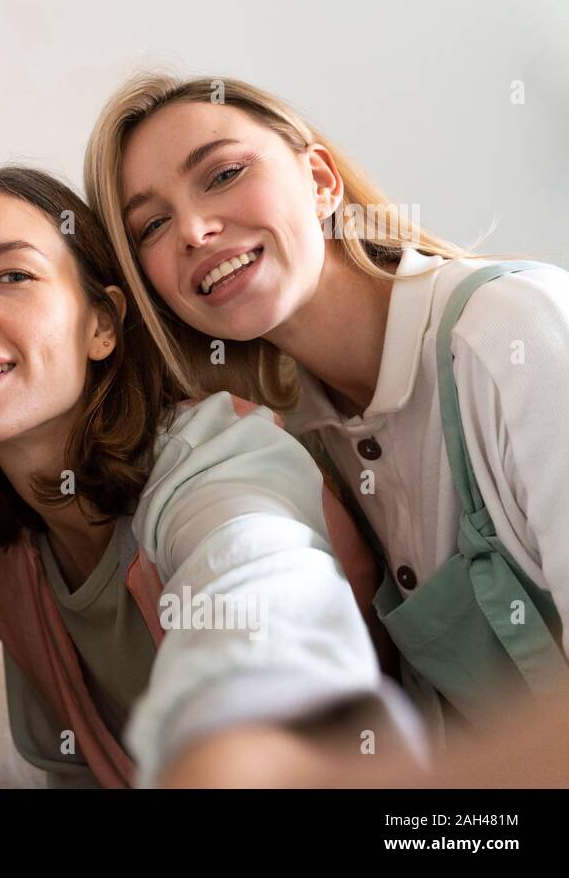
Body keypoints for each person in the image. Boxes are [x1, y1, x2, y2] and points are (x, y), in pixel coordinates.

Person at [0, 163, 423, 787]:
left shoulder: (218, 460)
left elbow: (260, 584)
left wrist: (244, 735)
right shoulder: (3, 549)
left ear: (101, 325)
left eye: (13, 275)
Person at [85, 73, 569, 745]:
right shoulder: (296, 439)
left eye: (223, 173)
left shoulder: (518, 334)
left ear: (320, 181)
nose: (193, 230)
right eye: (153, 225)